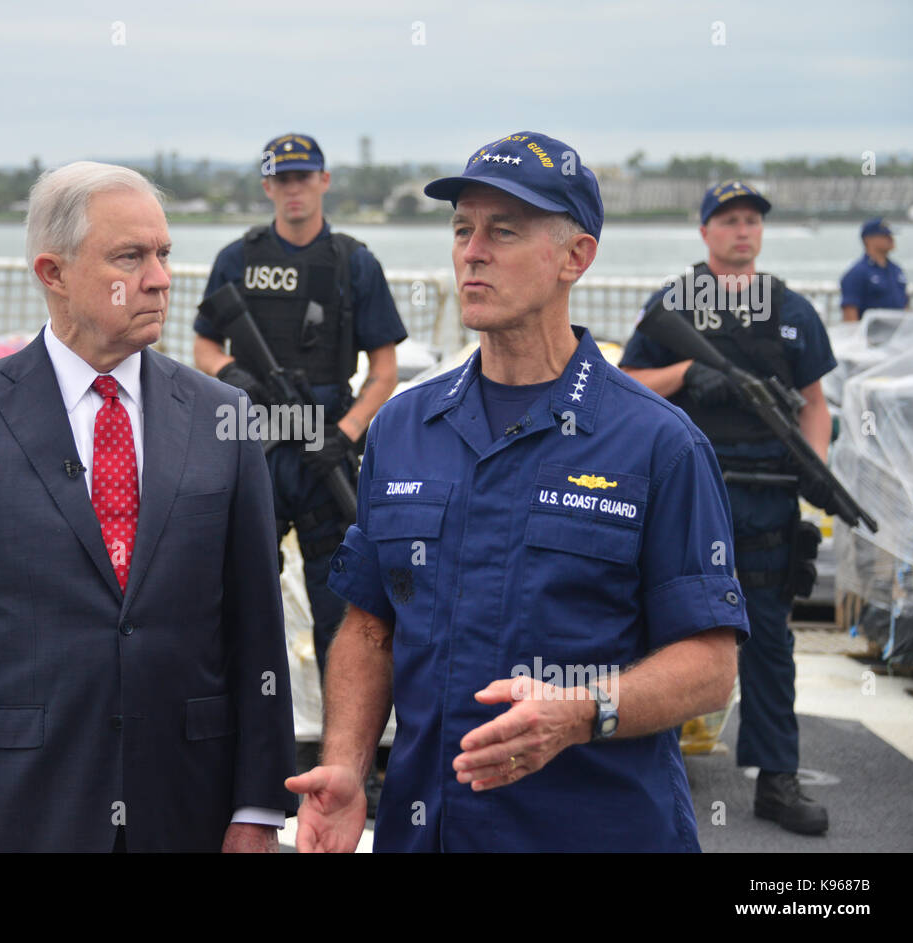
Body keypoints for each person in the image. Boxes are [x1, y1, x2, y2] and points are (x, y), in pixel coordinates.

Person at [286, 132, 747, 853]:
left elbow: (711, 667)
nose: (473, 252)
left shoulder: (659, 443)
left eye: (503, 231)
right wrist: (344, 762)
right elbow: (370, 626)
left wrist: (584, 710)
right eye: (462, 229)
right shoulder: (404, 425)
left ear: (576, 257)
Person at [0, 162, 297, 853]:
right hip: (20, 808)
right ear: (54, 272)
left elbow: (258, 624)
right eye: (130, 257)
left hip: (188, 807)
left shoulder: (223, 417)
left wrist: (260, 806)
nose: (160, 278)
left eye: (164, 254)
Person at [619, 181, 838, 836]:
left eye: (752, 221)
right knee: (661, 629)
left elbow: (814, 402)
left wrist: (815, 469)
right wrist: (687, 374)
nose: (743, 230)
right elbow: (627, 383)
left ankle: (777, 776)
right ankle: (640, 760)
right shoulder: (674, 304)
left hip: (767, 494)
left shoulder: (791, 310)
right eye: (729, 220)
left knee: (768, 638)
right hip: (687, 493)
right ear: (705, 232)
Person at [193, 133, 405, 682]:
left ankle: (343, 731)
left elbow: (384, 371)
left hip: (322, 451)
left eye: (303, 178)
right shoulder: (237, 258)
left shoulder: (354, 263)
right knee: (240, 600)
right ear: (267, 187)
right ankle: (249, 725)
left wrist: (346, 433)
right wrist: (232, 372)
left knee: (342, 610)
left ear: (324, 181)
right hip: (252, 444)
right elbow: (204, 346)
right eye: (282, 179)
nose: (294, 189)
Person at [840, 218, 909, 321]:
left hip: (898, 330)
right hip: (871, 330)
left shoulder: (896, 270)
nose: (891, 239)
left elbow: (904, 305)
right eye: (885, 235)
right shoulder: (857, 273)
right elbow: (850, 316)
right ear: (868, 239)